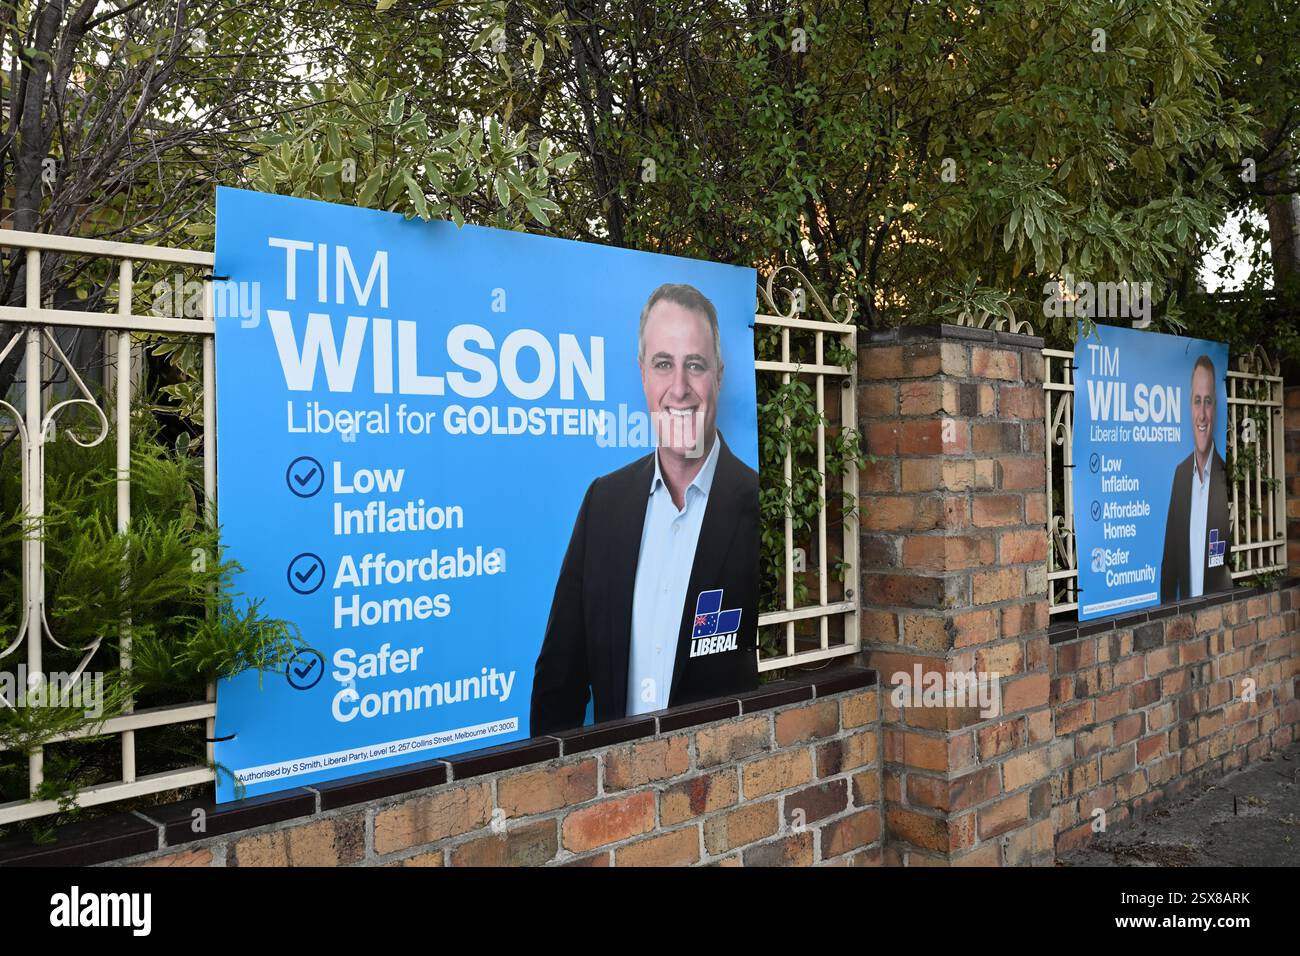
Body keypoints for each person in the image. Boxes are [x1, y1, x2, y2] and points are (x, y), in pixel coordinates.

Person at [530, 283, 759, 736]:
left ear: (719, 375)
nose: (679, 388)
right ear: (642, 374)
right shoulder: (603, 503)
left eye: (695, 365)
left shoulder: (757, 506)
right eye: (662, 364)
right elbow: (559, 681)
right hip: (618, 799)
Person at [1159, 354, 1231, 601]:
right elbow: (1168, 567)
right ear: (1189, 406)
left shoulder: (1226, 475)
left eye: (1208, 402)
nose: (1202, 414)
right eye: (1197, 401)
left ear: (1216, 408)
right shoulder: (1180, 475)